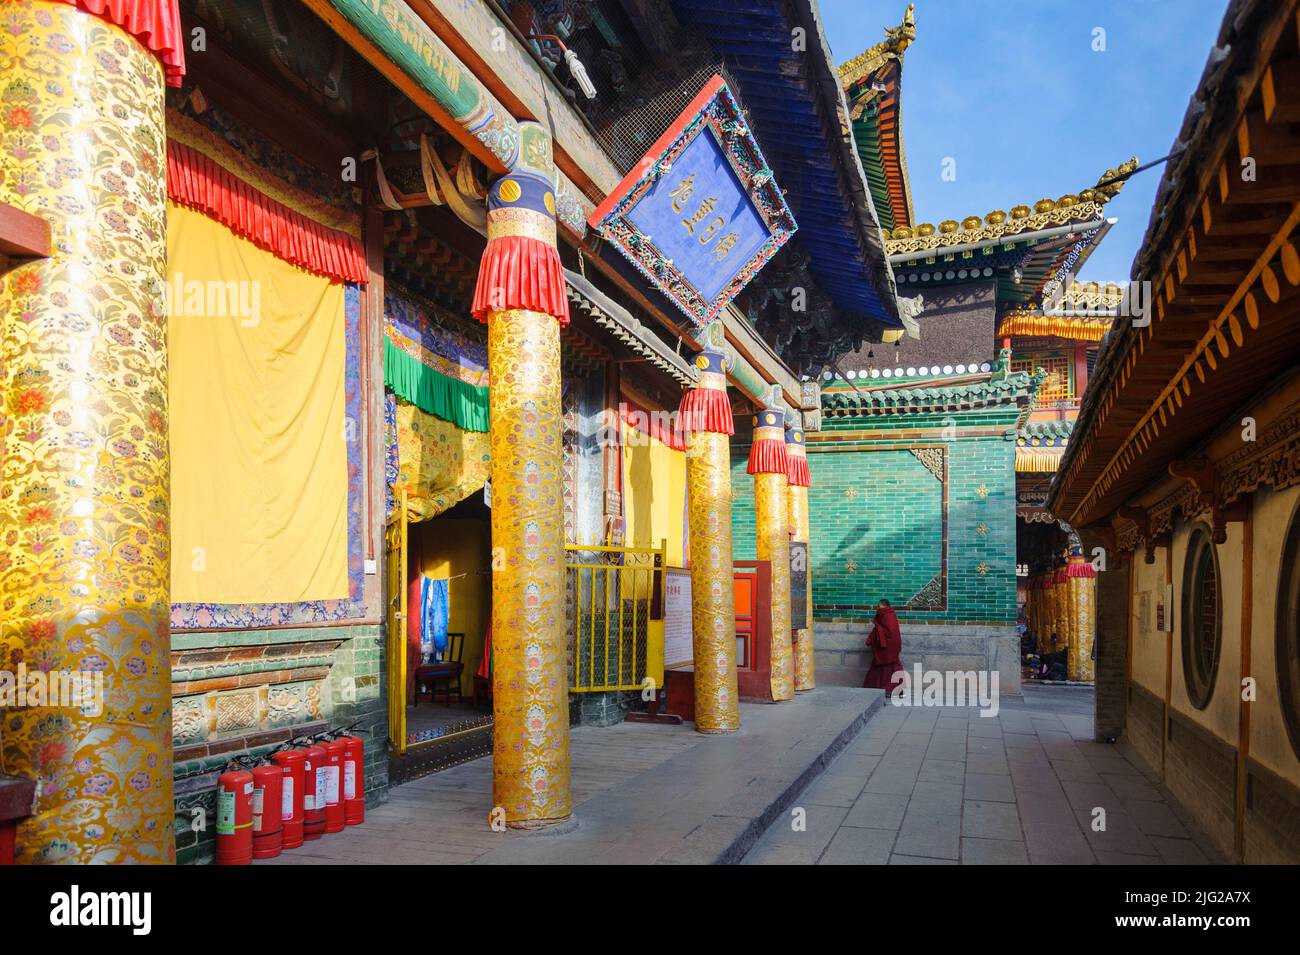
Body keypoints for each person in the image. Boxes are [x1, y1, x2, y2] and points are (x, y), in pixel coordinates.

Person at [863, 598, 904, 691]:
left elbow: (886, 630)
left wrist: (872, 637)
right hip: (891, 645)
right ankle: (876, 687)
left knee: (891, 666)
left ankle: (895, 689)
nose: (878, 608)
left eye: (879, 606)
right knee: (881, 666)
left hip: (887, 646)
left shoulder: (884, 614)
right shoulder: (891, 614)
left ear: (883, 606)